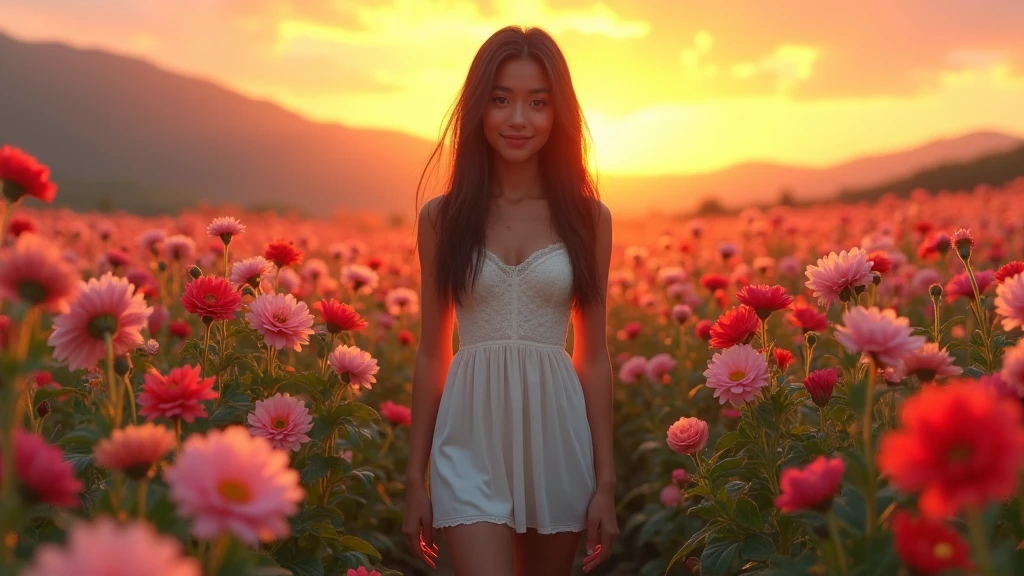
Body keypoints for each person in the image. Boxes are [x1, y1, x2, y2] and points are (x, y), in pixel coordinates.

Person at [402, 25, 618, 576]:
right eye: (500, 100)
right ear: (478, 108)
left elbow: (593, 357)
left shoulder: (589, 219)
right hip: (468, 437)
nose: (518, 118)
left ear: (558, 114)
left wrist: (606, 486)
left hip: (557, 436)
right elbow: (433, 351)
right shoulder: (441, 218)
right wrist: (414, 478)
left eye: (537, 103)